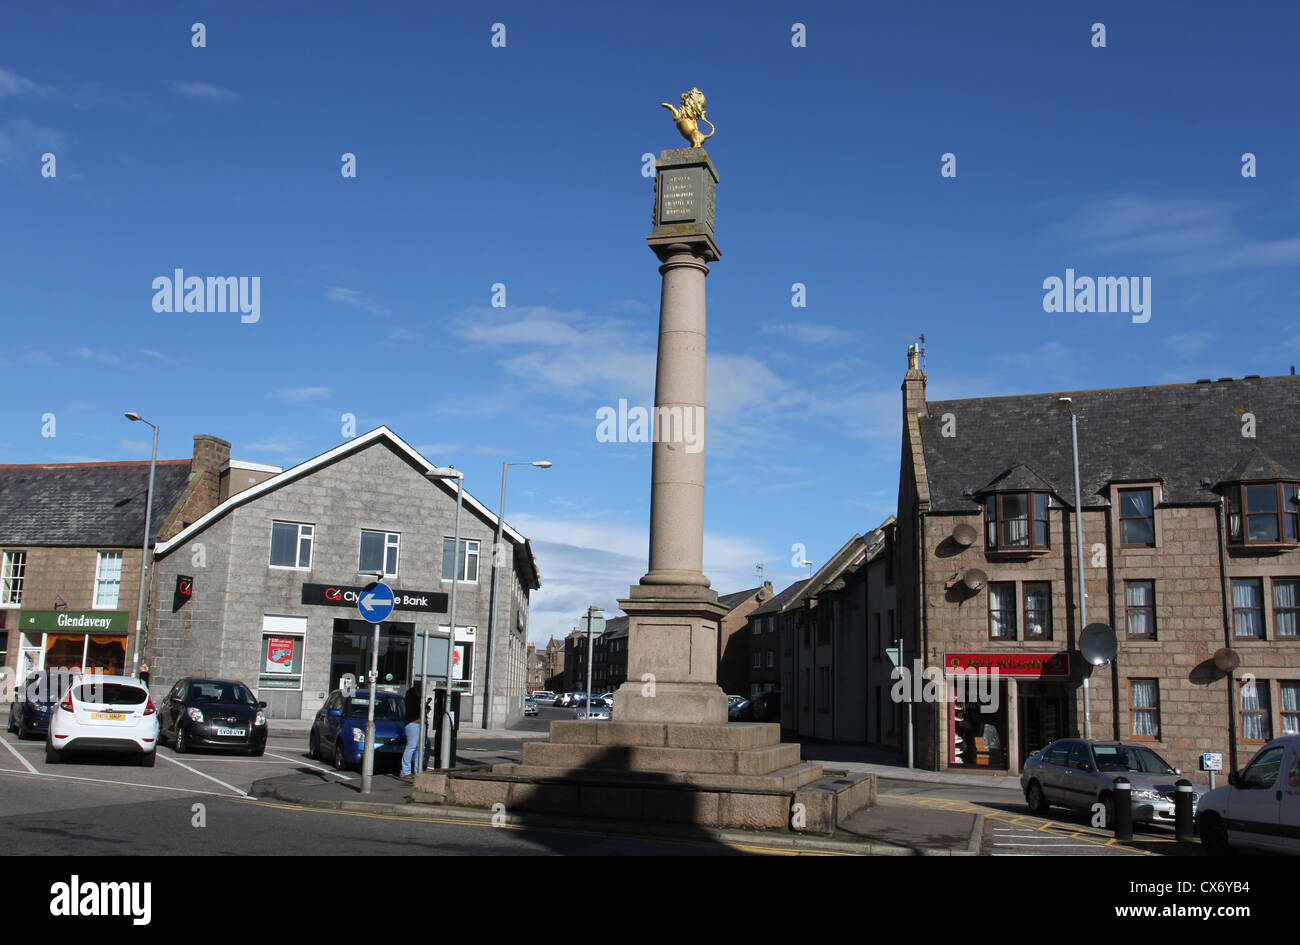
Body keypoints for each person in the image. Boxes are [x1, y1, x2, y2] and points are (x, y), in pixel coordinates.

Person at [401, 681, 424, 778]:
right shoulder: (411, 694)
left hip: (421, 723)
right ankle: (405, 771)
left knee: (421, 747)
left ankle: (418, 769)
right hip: (413, 722)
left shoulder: (420, 694)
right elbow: (412, 709)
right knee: (411, 746)